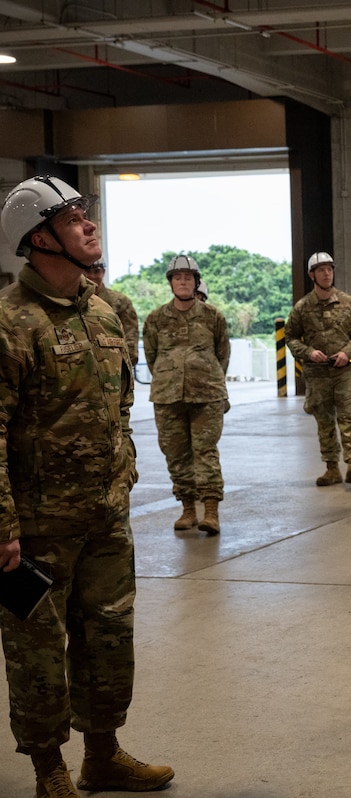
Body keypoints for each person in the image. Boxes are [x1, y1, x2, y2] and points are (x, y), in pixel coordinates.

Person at [0, 175, 174, 797]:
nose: (88, 223)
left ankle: (103, 753)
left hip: (104, 513)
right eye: (71, 215)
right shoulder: (11, 321)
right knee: (37, 648)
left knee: (109, 634)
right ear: (38, 237)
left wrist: (122, 477)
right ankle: (50, 770)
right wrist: (3, 526)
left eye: (86, 211)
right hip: (36, 526)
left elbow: (118, 408)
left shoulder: (103, 311)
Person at [142, 254, 231, 535]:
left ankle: (211, 512)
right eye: (178, 277)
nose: (183, 282)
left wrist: (208, 376)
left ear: (196, 282)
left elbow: (222, 354)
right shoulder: (156, 319)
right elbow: (152, 356)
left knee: (205, 452)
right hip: (168, 397)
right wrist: (169, 377)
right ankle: (188, 510)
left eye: (188, 277)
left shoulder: (213, 316)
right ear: (171, 282)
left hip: (207, 395)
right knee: (175, 454)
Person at [285, 251, 351, 486]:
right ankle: (331, 468)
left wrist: (347, 352)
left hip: (345, 372)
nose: (327, 273)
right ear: (312, 275)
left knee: (349, 417)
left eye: (329, 269)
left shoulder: (348, 303)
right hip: (317, 374)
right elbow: (290, 337)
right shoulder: (302, 307)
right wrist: (308, 352)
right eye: (321, 270)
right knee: (324, 421)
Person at [84, 260, 139, 366]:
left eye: (97, 271)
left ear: (103, 272)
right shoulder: (72, 301)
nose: (92, 276)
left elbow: (130, 336)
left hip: (114, 365)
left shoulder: (120, 301)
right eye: (87, 271)